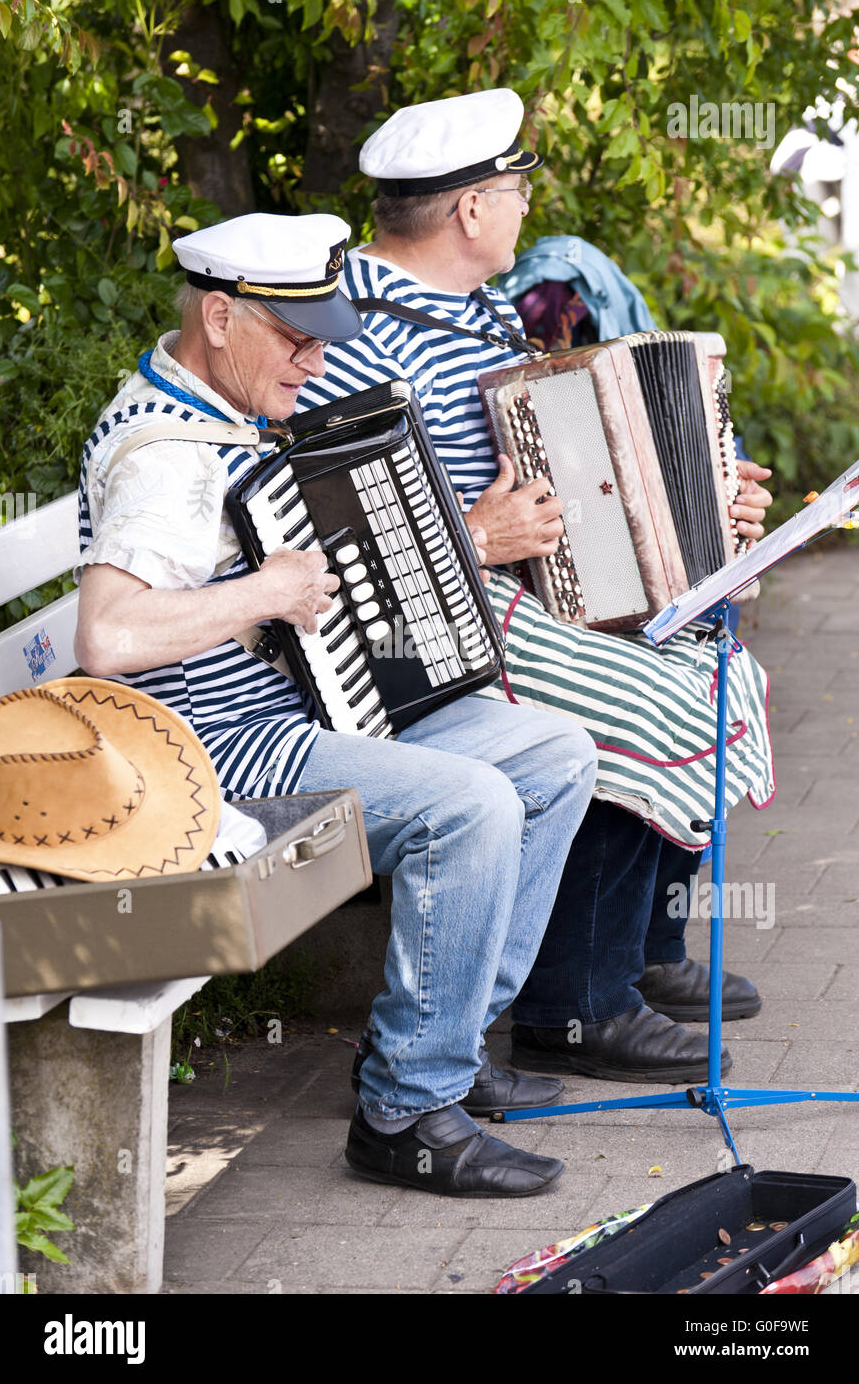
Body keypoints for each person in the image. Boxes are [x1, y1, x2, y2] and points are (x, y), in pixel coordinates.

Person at [72, 212, 597, 1197]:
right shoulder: (165, 454)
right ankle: (404, 1112)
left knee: (555, 753)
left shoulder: (224, 410)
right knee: (470, 802)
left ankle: (438, 1042)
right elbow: (107, 636)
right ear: (220, 317)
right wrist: (267, 592)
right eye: (295, 339)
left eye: (322, 339)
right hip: (215, 753)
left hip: (298, 715)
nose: (315, 362)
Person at [296, 90, 777, 1083]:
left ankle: (629, 954)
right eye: (515, 189)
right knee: (642, 692)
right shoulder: (360, 338)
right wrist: (478, 532)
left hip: (500, 590)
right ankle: (575, 1007)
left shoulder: (474, 312)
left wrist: (701, 510)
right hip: (413, 631)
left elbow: (559, 461)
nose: (525, 208)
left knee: (697, 647)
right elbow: (340, 537)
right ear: (470, 208)